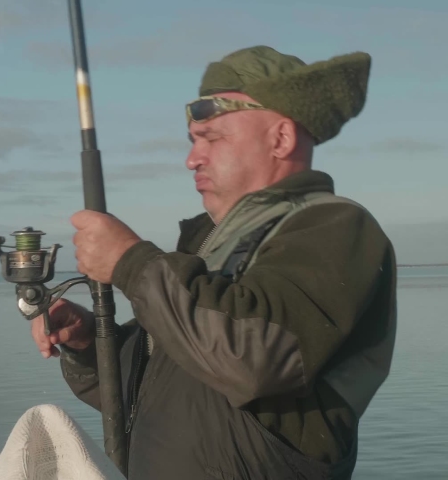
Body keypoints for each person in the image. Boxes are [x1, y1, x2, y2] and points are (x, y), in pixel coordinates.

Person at [29, 45, 397, 479]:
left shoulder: (334, 227)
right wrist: (89, 343)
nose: (192, 158)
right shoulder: (205, 243)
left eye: (212, 138)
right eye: (192, 141)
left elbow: (252, 356)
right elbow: (156, 389)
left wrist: (130, 263)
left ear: (280, 138)